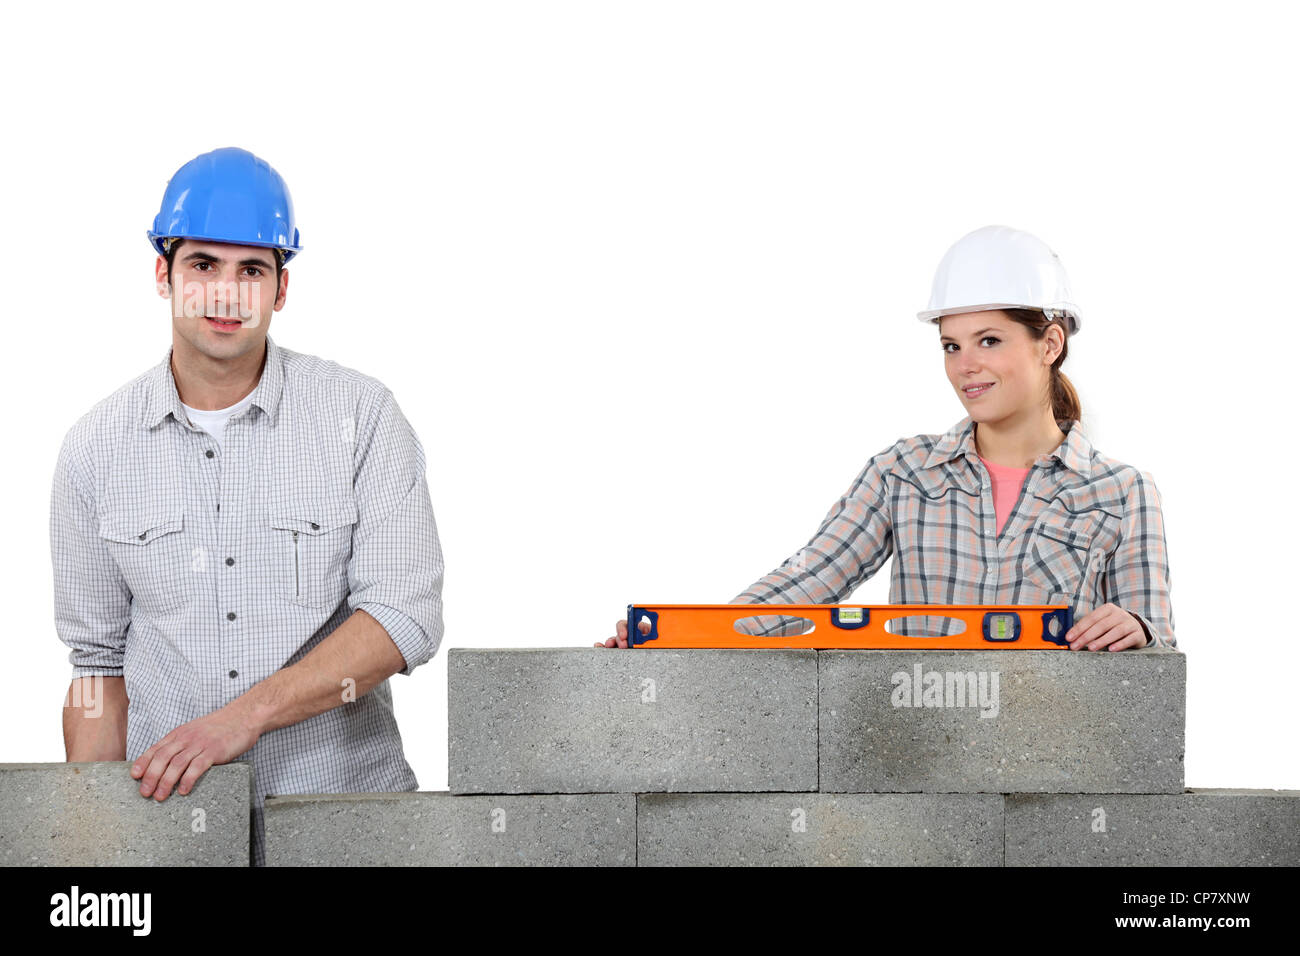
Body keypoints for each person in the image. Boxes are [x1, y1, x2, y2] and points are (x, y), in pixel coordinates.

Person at [52, 146, 446, 866]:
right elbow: (96, 669)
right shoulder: (93, 451)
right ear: (163, 274)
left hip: (346, 830)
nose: (227, 294)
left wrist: (243, 720)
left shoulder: (361, 417)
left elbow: (405, 618)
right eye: (203, 264)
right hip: (172, 835)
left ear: (281, 289)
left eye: (252, 270)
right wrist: (91, 837)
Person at [599, 225, 1175, 651]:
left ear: (1050, 343)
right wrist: (675, 639)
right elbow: (806, 583)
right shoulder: (904, 474)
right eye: (951, 345)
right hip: (921, 760)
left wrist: (1140, 632)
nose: (965, 366)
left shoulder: (1121, 494)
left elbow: (1158, 665)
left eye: (989, 340)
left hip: (1052, 762)